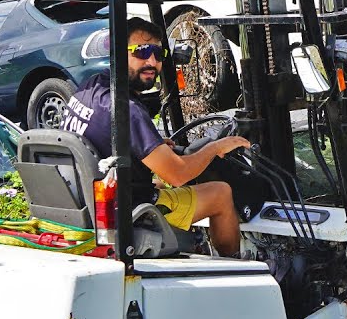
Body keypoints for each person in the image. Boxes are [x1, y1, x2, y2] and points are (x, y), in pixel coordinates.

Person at [63, 17, 250, 256]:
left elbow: (99, 136)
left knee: (159, 183)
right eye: (141, 51)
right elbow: (179, 174)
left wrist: (152, 146)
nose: (152, 61)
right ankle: (235, 267)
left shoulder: (91, 88)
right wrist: (215, 147)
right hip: (130, 211)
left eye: (158, 53)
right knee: (221, 193)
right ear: (117, 53)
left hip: (91, 201)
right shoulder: (125, 109)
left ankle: (191, 244)